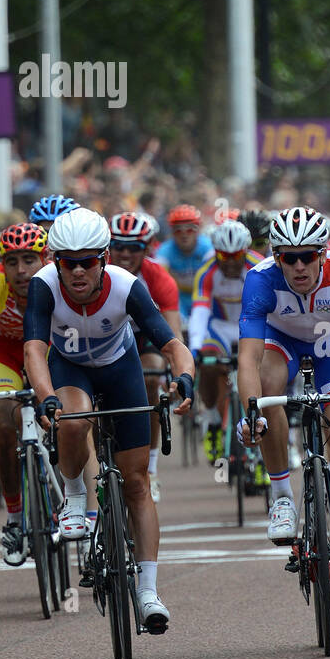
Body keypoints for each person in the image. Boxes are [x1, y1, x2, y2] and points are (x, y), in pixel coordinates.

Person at [23, 207, 195, 633]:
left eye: (87, 262)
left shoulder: (126, 285)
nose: (78, 272)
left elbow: (171, 343)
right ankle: (75, 495)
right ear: (54, 261)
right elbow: (33, 351)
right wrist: (46, 399)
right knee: (74, 420)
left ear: (104, 259)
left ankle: (149, 591)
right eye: (68, 263)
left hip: (121, 369)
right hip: (70, 368)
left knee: (136, 483)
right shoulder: (43, 286)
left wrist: (186, 376)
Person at [237, 207, 330, 608]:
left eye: (308, 255)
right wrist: (250, 412)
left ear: (324, 254)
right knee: (269, 387)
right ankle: (282, 496)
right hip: (281, 342)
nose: (300, 265)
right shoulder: (260, 280)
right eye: (289, 256)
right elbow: (248, 358)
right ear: (276, 257)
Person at [0, 222, 49, 565]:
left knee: (65, 415)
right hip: (5, 356)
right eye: (12, 261)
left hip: (48, 354)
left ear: (44, 259)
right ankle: (15, 515)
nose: (21, 270)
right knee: (3, 420)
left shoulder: (55, 282)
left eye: (29, 260)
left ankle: (73, 494)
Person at [107, 211, 182, 502]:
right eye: (119, 247)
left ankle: (150, 468)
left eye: (134, 248)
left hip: (144, 337)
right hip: (107, 336)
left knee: (150, 378)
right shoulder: (98, 271)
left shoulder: (158, 277)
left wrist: (178, 373)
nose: (125, 254)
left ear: (146, 248)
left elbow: (173, 333)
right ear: (109, 248)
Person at [189, 219, 263, 463]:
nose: (230, 262)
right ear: (216, 252)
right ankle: (212, 421)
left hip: (249, 327)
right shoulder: (207, 270)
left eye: (236, 255)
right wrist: (195, 348)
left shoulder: (258, 266)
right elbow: (200, 310)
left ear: (246, 251)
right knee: (208, 364)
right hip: (220, 328)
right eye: (224, 255)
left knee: (267, 371)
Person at [154, 204, 213, 336]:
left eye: (190, 229)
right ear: (172, 232)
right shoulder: (164, 251)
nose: (184, 235)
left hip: (204, 295)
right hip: (178, 298)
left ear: (198, 230)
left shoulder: (208, 247)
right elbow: (159, 281)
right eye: (178, 230)